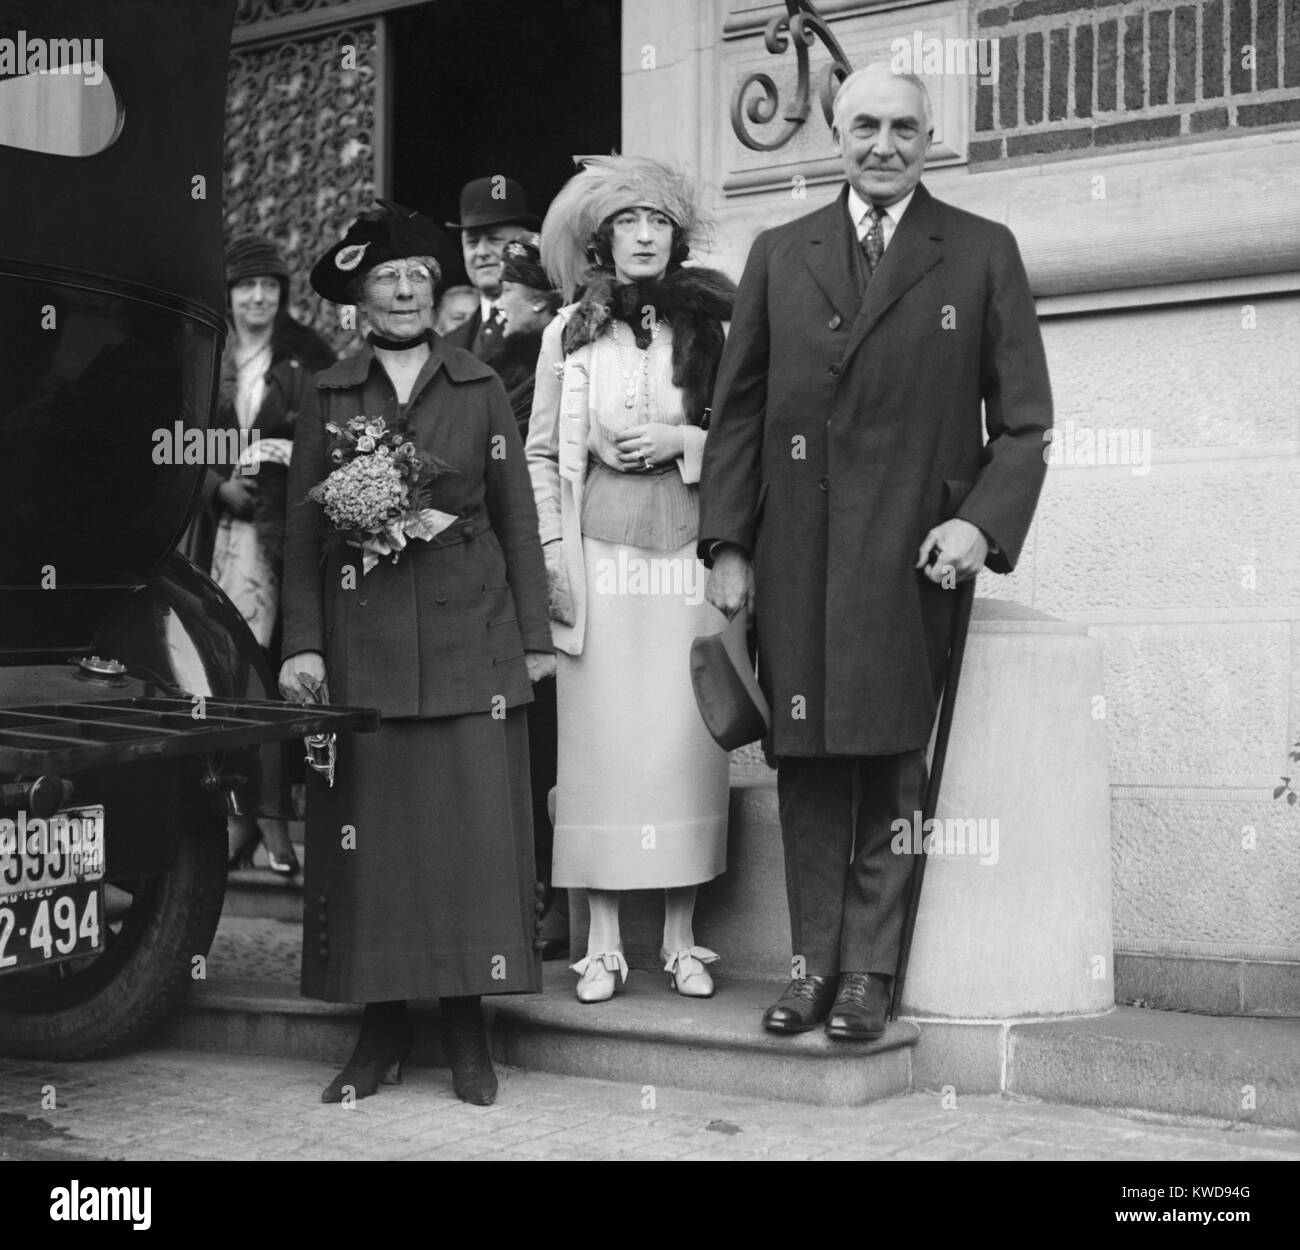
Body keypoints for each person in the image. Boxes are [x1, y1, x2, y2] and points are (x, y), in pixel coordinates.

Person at [699, 65, 1053, 1041]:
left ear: (929, 137)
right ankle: (809, 966)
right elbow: (733, 416)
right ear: (833, 134)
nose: (883, 144)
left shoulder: (979, 253)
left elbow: (1023, 424)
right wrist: (727, 544)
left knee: (894, 762)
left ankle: (867, 972)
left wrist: (978, 522)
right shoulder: (779, 252)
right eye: (864, 126)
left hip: (911, 556)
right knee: (806, 761)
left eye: (903, 126)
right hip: (796, 554)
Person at [279, 200, 555, 1105]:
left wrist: (533, 643)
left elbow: (517, 519)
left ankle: (467, 1023)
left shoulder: (478, 388)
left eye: (419, 279)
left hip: (469, 636)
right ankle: (382, 1028)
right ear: (356, 299)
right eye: (385, 278)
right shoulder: (326, 392)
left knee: (471, 834)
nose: (403, 289)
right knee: (378, 841)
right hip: (365, 646)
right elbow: (301, 533)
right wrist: (305, 645)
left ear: (441, 298)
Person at [527, 156, 737, 1003]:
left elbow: (751, 438)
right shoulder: (568, 332)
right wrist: (549, 558)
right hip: (600, 562)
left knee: (683, 740)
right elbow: (542, 451)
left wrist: (685, 446)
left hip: (685, 556)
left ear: (675, 236)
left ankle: (683, 940)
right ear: (602, 239)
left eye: (657, 221)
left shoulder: (715, 324)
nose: (644, 235)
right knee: (603, 748)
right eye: (628, 221)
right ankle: (604, 942)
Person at [187, 233, 334, 876]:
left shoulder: (308, 355)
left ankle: (273, 818)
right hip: (213, 535)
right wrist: (215, 485)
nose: (257, 297)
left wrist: (281, 462)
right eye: (247, 285)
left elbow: (333, 433)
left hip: (282, 538)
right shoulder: (201, 351)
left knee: (272, 672)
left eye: (269, 286)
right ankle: (237, 815)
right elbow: (172, 437)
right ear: (230, 292)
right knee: (218, 670)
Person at [443, 174, 540, 374]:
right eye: (472, 241)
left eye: (494, 239)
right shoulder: (448, 344)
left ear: (524, 242)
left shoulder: (549, 329)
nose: (481, 252)